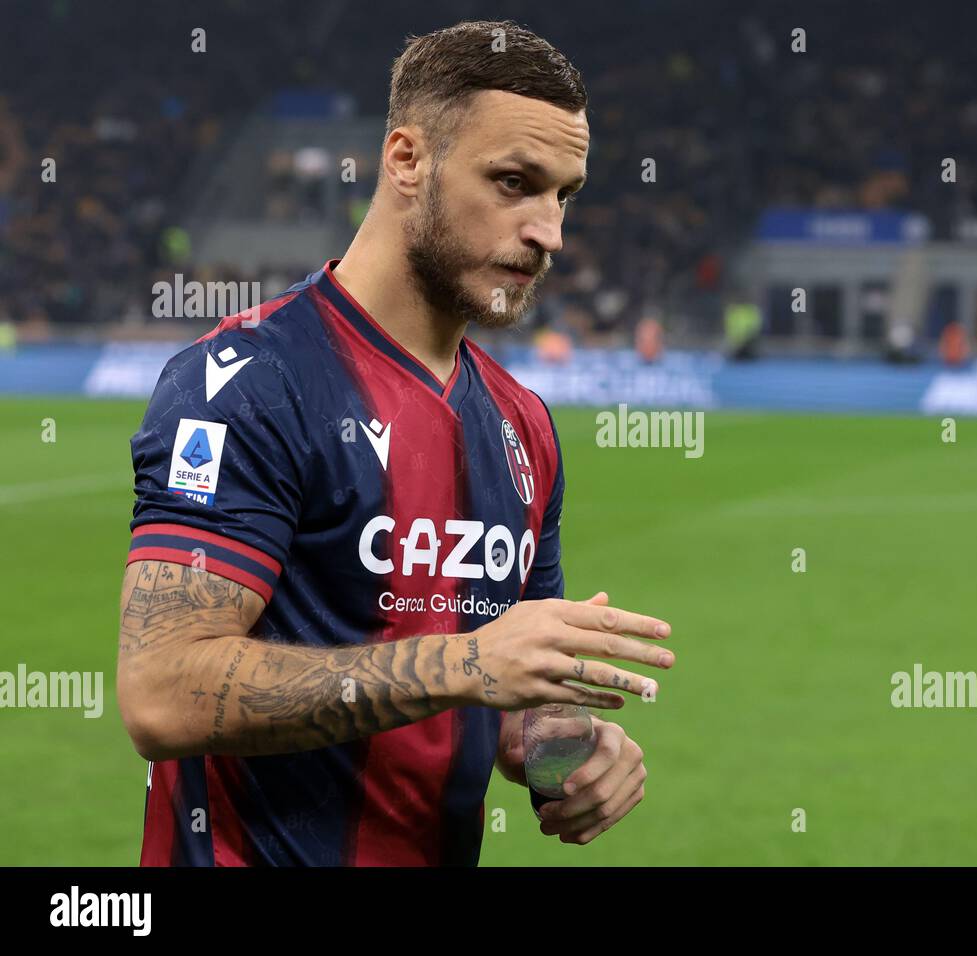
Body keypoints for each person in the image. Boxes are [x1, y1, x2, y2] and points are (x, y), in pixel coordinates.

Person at [117, 20, 673, 866]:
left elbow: (516, 700)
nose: (549, 233)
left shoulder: (522, 422)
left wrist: (571, 752)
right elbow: (161, 694)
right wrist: (465, 664)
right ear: (407, 159)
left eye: (564, 195)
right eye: (515, 183)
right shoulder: (246, 382)